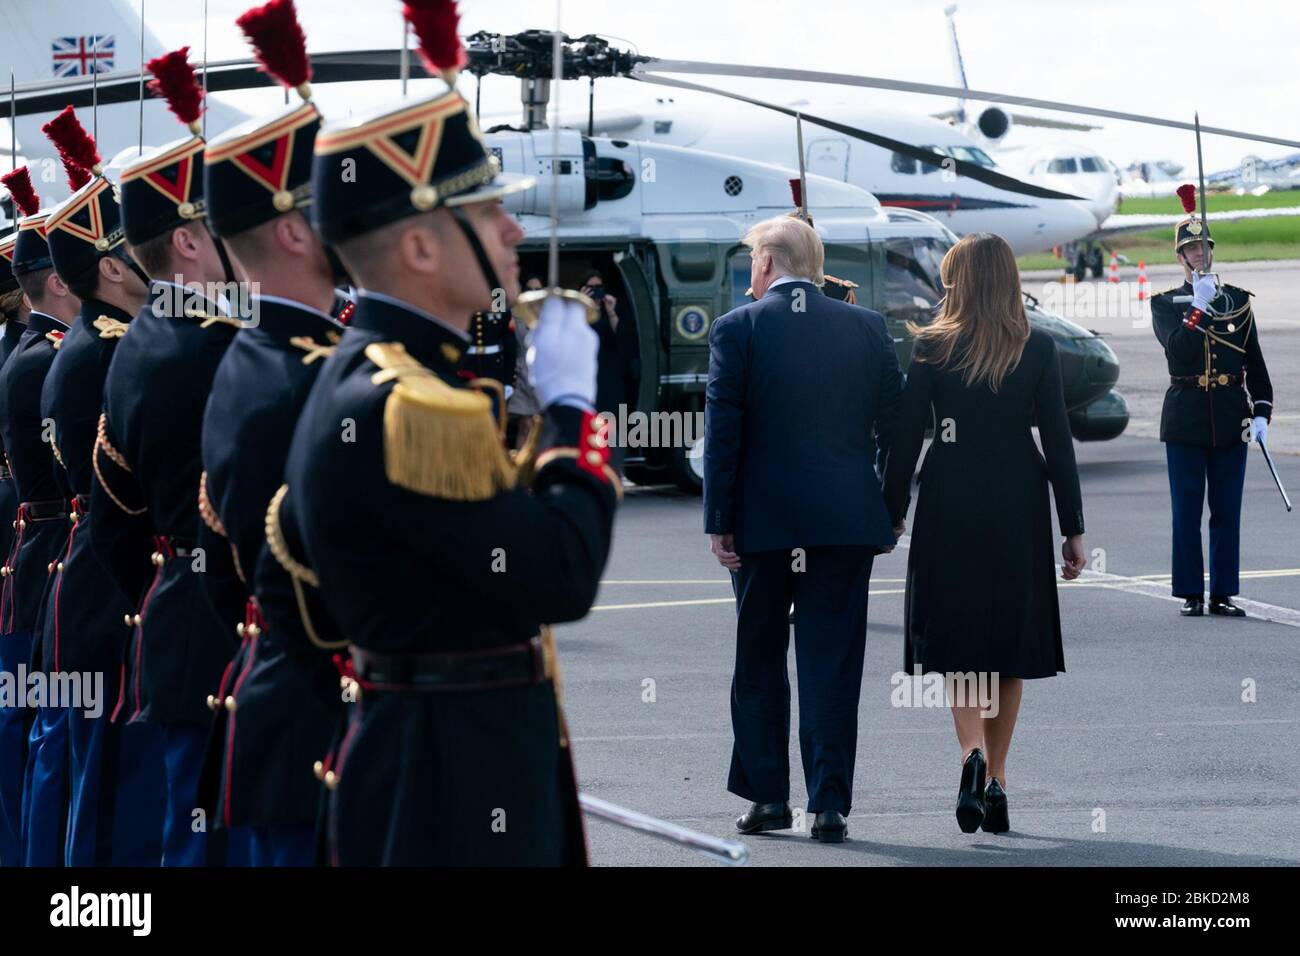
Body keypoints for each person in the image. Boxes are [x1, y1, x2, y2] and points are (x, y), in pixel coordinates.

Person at [272, 12, 619, 865]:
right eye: (490, 211)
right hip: (458, 784)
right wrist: (574, 413)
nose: (512, 232)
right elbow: (558, 575)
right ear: (422, 244)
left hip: (422, 760)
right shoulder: (414, 404)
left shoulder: (365, 376)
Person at [195, 0, 346, 866]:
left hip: (281, 701)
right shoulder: (310, 373)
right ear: (293, 227)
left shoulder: (257, 354)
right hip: (319, 714)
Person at [91, 48, 244, 866]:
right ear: (189, 243)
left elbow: (113, 519)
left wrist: (166, 584)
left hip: (174, 619)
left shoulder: (144, 339)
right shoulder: (213, 347)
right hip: (222, 629)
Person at [704, 214, 902, 844]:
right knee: (832, 661)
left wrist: (720, 522)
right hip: (844, 521)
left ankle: (767, 797)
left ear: (766, 263)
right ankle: (829, 804)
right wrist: (889, 506)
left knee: (759, 659)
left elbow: (723, 438)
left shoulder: (738, 329)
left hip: (764, 525)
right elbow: (899, 430)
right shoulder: (867, 326)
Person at [882, 232, 1086, 835]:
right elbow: (1058, 444)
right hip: (1019, 504)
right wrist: (1072, 528)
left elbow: (904, 439)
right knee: (1009, 647)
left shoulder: (931, 349)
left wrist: (891, 512)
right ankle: (997, 780)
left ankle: (969, 755)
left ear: (962, 282)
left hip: (950, 501)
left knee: (961, 641)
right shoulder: (1037, 347)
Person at [37, 107, 156, 866]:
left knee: (93, 785)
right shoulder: (106, 353)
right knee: (111, 797)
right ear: (111, 266)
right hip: (113, 592)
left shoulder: (93, 346)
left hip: (88, 584)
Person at [0, 167, 80, 866]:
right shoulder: (44, 359)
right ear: (56, 281)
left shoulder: (37, 352)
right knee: (47, 729)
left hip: (41, 550)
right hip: (51, 549)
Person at [1150, 203, 1272, 617]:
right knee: (1186, 511)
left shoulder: (1237, 301)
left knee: (1226, 509)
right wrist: (1196, 308)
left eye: (1205, 246)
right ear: (1180, 256)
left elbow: (1253, 361)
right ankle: (1190, 591)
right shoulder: (1166, 304)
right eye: (1192, 247)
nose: (1200, 253)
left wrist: (1261, 412)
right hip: (1185, 416)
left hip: (1229, 415)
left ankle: (1223, 592)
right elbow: (1178, 354)